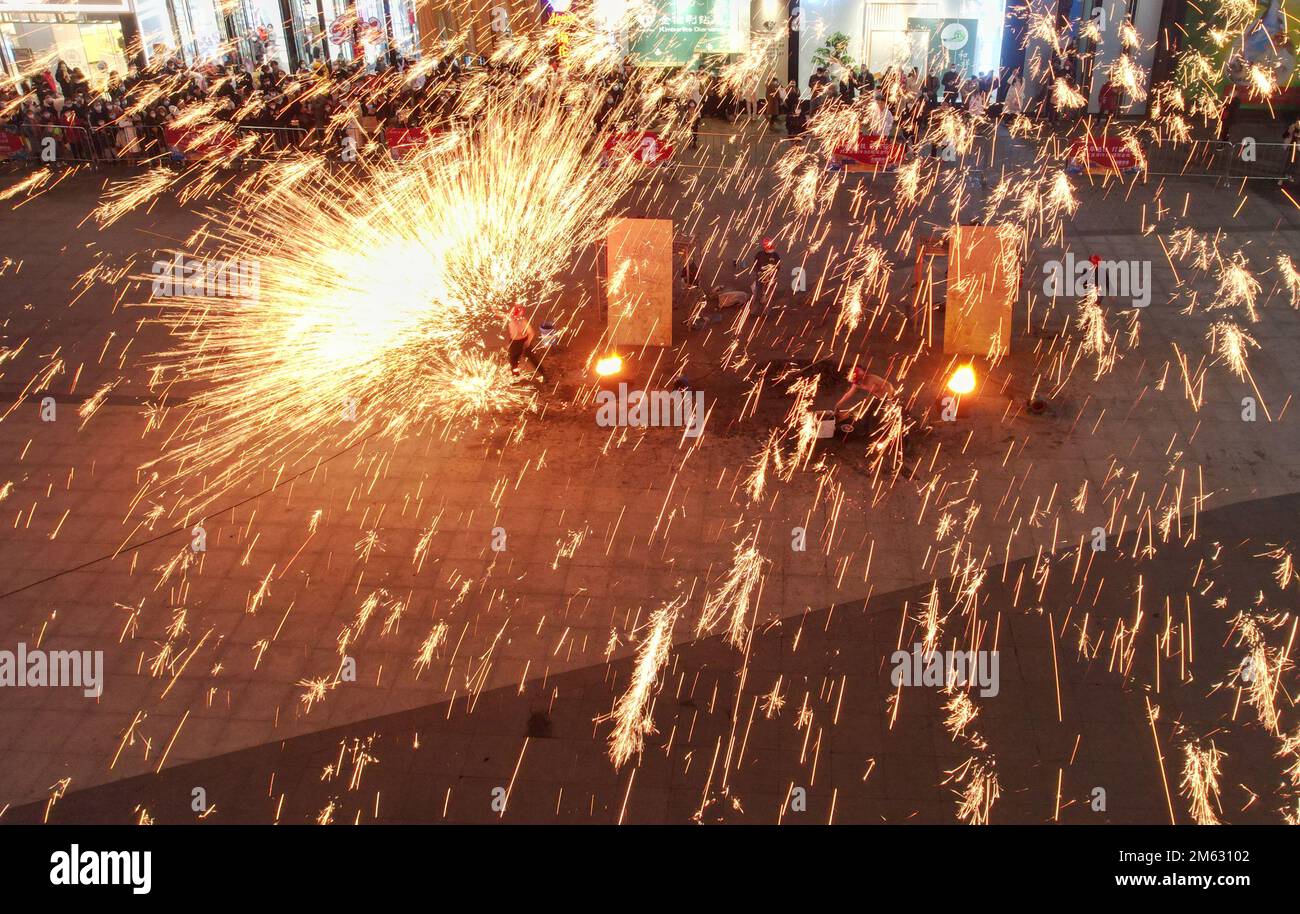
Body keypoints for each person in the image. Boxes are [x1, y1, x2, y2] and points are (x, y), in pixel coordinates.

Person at [504, 304, 546, 381]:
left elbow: (531, 332)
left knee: (532, 359)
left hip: (523, 341)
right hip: (514, 342)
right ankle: (516, 377)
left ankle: (544, 374)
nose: (515, 316)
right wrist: (493, 309)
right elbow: (501, 314)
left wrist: (528, 341)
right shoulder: (510, 318)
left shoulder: (523, 321)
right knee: (513, 361)